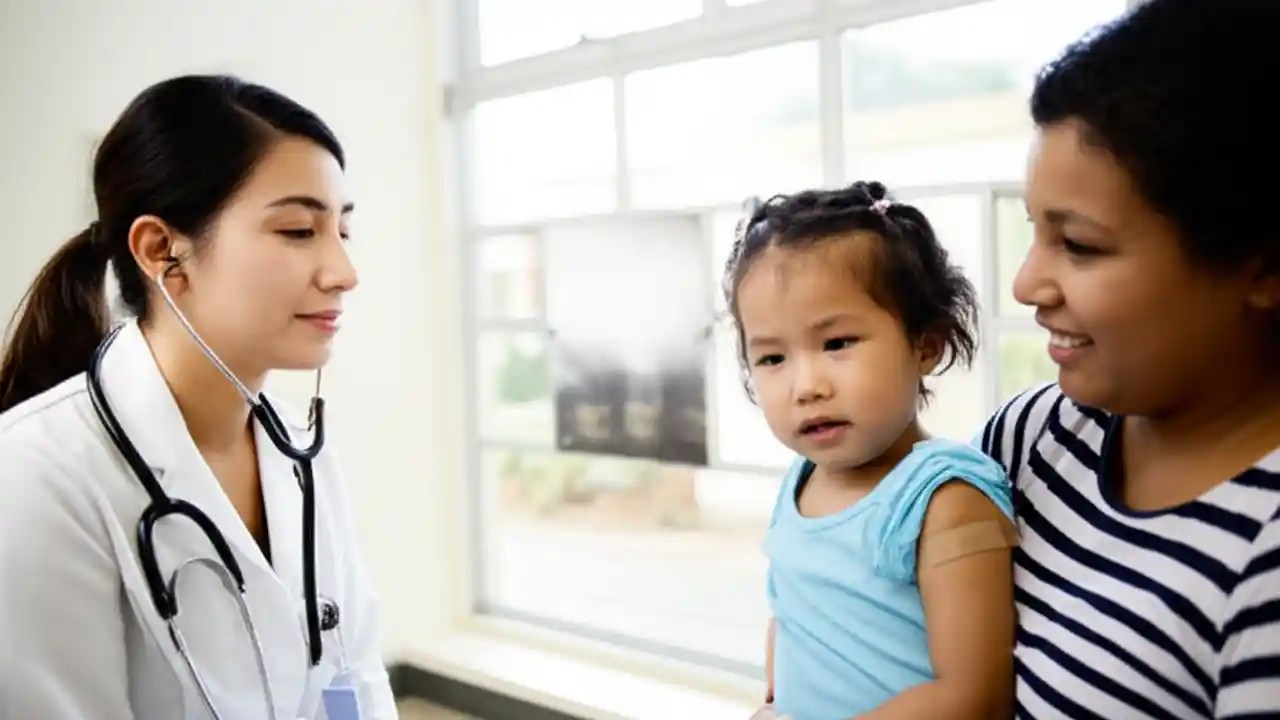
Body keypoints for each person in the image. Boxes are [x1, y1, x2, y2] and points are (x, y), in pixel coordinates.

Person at [0, 75, 397, 719]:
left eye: (342, 232)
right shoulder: (38, 476)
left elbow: (356, 675)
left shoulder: (299, 452)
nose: (344, 272)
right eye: (299, 231)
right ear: (163, 251)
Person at [978, 1, 1280, 717]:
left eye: (1079, 245)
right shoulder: (1029, 439)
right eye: (1034, 232)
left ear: (1263, 267)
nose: (1025, 285)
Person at [728, 181, 1017, 720]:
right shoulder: (801, 481)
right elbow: (794, 615)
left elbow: (974, 698)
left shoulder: (943, 499)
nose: (806, 385)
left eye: (837, 344)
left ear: (925, 345)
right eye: (771, 359)